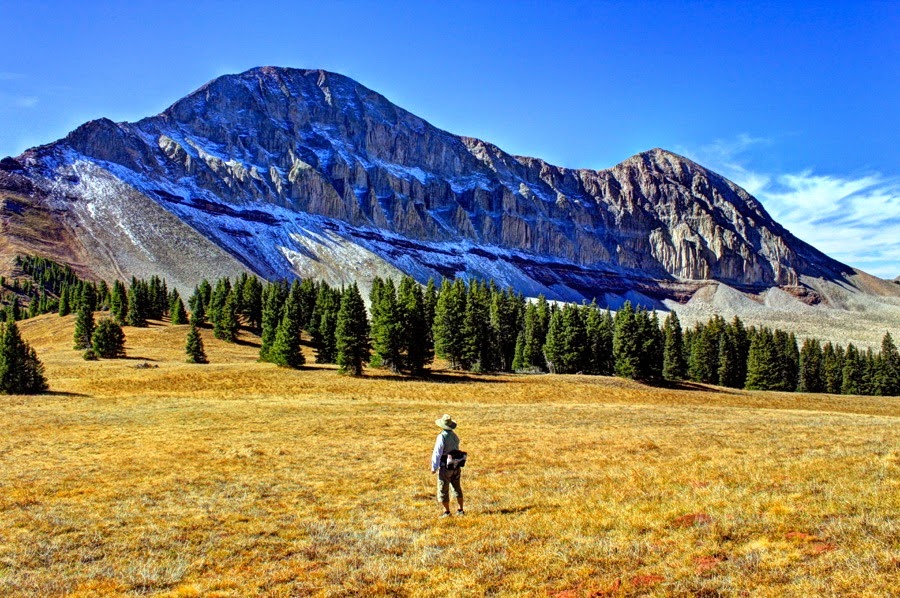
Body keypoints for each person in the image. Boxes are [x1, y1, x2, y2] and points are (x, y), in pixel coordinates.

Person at [431, 414, 464, 517]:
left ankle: (447, 512)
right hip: (456, 464)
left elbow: (437, 452)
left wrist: (434, 467)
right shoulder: (454, 435)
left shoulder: (441, 436)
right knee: (457, 487)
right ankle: (460, 510)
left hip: (445, 466)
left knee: (443, 489)